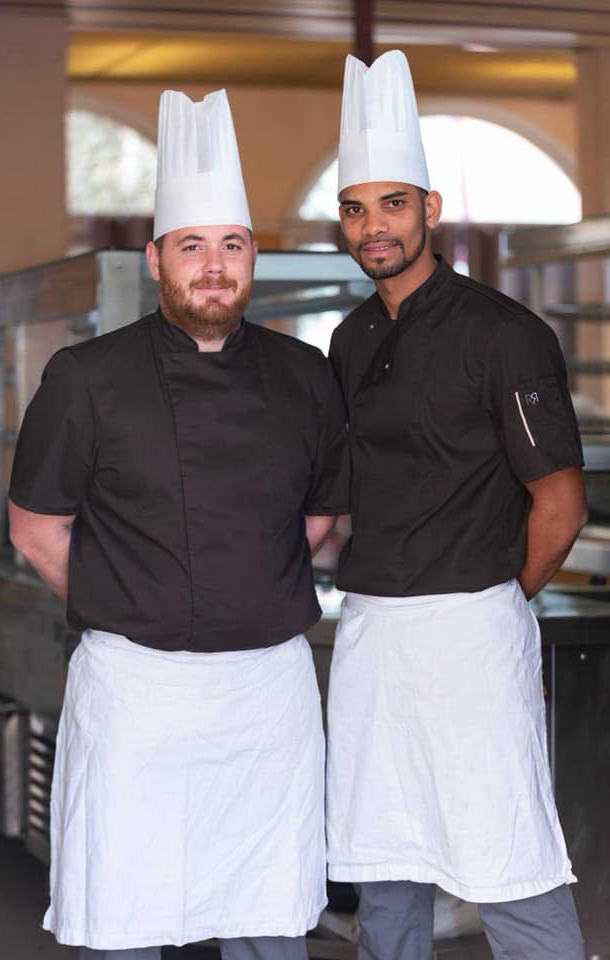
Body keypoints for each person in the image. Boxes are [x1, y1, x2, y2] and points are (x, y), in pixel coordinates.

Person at [8, 88, 349, 960]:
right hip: (136, 696)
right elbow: (36, 529)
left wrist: (238, 591)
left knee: (269, 923)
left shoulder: (305, 373)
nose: (213, 265)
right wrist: (138, 598)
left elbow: (316, 517)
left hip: (266, 696)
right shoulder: (85, 377)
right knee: (127, 915)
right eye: (192, 246)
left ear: (253, 258)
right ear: (156, 256)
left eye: (231, 246)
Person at [326, 51, 588, 960]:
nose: (374, 226)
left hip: (469, 629)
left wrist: (493, 593)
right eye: (355, 209)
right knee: (382, 859)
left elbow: (560, 500)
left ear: (430, 211)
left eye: (392, 204)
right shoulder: (351, 338)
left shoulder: (503, 333)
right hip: (371, 630)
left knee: (506, 853)